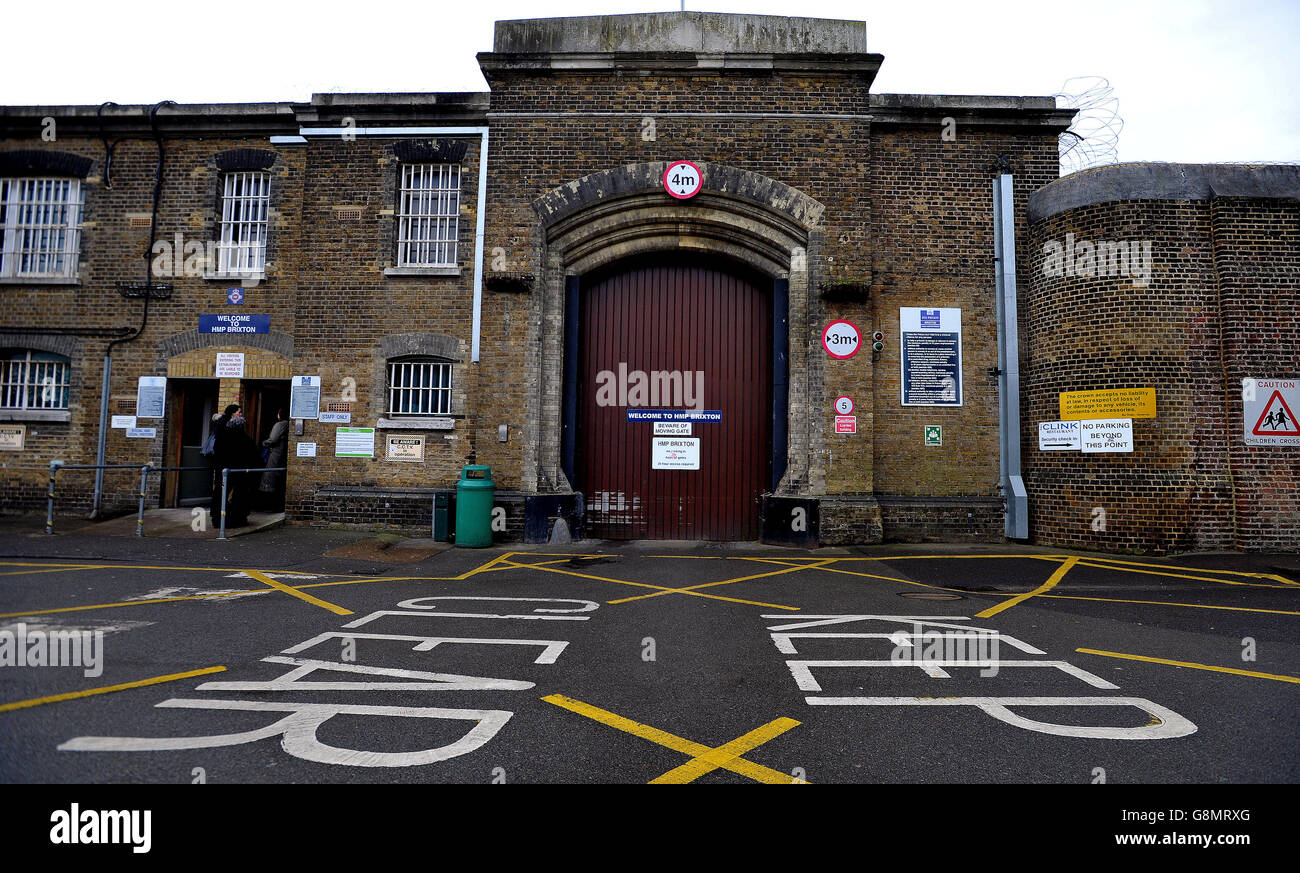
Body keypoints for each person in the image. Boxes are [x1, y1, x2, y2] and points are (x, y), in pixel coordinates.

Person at [221, 412, 261, 527]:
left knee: (226, 495)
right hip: (242, 473)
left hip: (228, 471)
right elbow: (254, 456)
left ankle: (224, 519)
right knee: (241, 496)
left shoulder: (224, 438)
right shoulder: (246, 439)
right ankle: (239, 519)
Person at [208, 404, 240, 524]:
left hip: (220, 462)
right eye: (238, 412)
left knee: (220, 488)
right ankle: (221, 518)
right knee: (224, 489)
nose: (240, 414)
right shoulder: (228, 427)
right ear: (232, 413)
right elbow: (227, 447)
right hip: (226, 463)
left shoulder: (221, 424)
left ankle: (217, 515)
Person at [259, 408, 289, 511]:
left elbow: (273, 438)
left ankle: (269, 506)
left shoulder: (280, 424)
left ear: (279, 415)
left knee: (269, 478)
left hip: (276, 454)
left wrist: (264, 443)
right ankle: (277, 505)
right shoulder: (289, 424)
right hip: (282, 454)